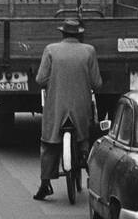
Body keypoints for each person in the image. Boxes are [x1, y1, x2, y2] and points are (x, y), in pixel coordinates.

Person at [34, 21, 103, 200]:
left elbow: (41, 79)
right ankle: (89, 167)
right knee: (86, 137)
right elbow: (97, 83)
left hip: (56, 107)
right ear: (79, 35)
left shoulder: (50, 49)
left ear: (62, 34)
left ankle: (45, 184)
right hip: (81, 107)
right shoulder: (89, 50)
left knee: (48, 143)